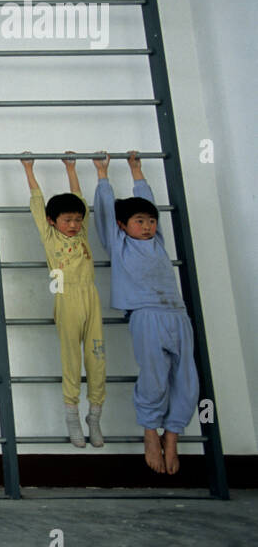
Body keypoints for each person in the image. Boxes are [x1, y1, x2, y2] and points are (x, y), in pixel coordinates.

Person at [92, 150, 197, 475]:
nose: (148, 226)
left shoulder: (158, 243)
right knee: (154, 379)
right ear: (123, 225)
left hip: (177, 315)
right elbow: (106, 214)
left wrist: (136, 170)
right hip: (146, 316)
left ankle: (173, 435)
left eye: (151, 221)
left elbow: (148, 201)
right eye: (140, 221)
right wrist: (103, 175)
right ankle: (150, 432)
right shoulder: (119, 243)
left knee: (188, 381)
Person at [21, 151, 105, 448]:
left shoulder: (82, 234)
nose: (73, 224)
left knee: (97, 358)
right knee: (72, 361)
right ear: (52, 221)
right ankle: (72, 416)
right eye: (67, 220)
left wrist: (71, 167)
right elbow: (36, 203)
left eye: (77, 220)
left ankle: (94, 416)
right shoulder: (49, 235)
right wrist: (29, 169)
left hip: (90, 294)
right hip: (65, 295)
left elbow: (79, 198)